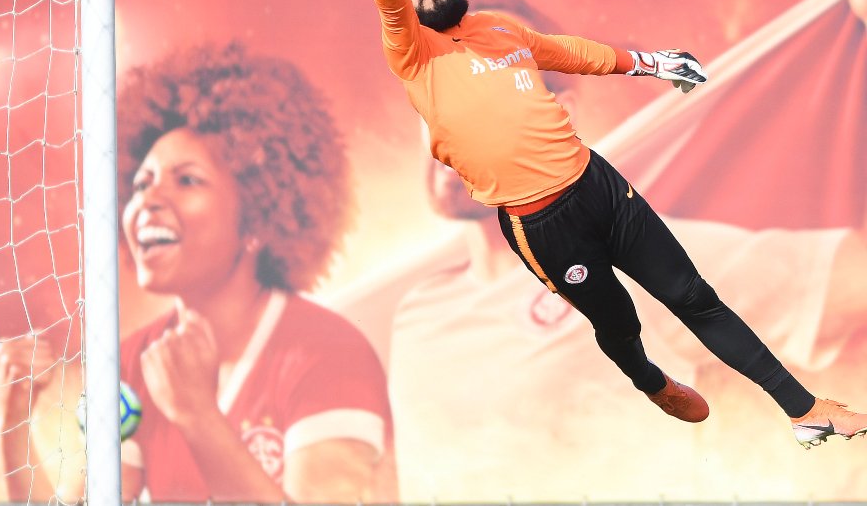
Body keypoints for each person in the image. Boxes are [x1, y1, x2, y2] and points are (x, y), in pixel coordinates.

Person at [345, 0, 867, 448]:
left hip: (598, 187)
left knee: (694, 296)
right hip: (543, 227)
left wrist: (654, 63)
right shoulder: (413, 55)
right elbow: (392, 8)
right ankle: (650, 381)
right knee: (620, 323)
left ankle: (806, 410)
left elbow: (569, 53)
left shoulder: (499, 29)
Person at [325, 75, 867, 500]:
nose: (447, 133)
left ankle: (804, 411)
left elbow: (844, 276)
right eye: (433, 113)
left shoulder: (614, 227)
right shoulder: (416, 312)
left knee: (690, 306)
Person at [0, 43, 393, 503]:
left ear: (257, 214)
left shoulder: (328, 355)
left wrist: (199, 417)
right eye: (141, 184)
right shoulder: (132, 362)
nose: (148, 200)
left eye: (187, 180)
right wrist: (13, 422)